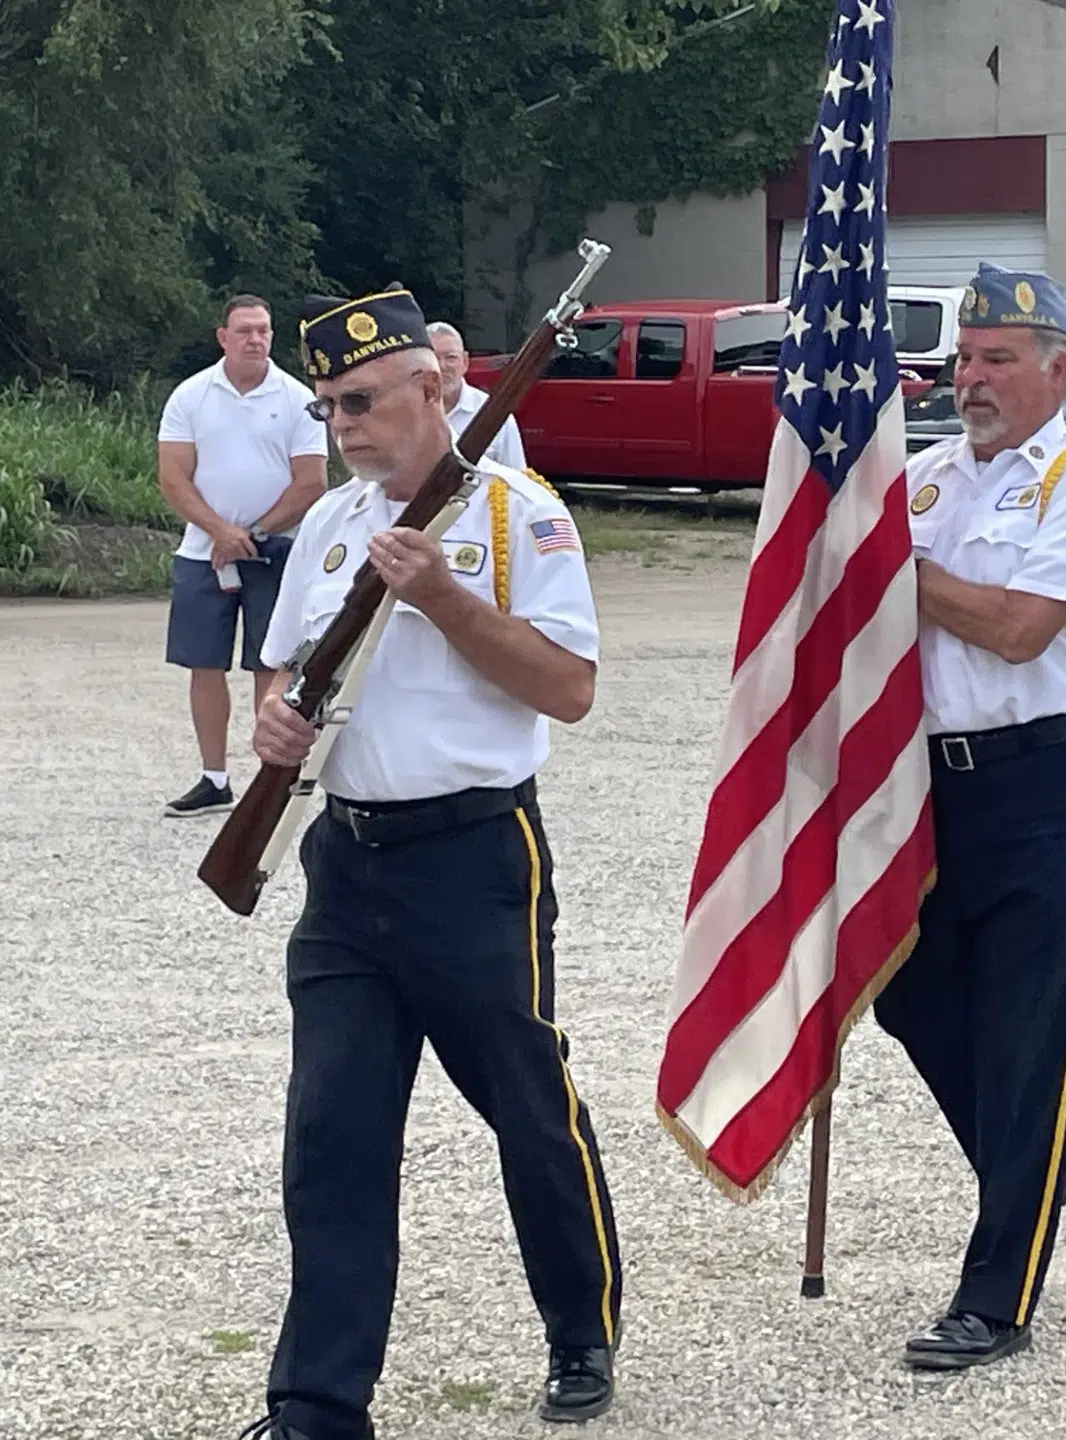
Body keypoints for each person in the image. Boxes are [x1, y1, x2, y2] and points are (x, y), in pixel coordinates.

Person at [236, 285, 621, 1440]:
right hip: (347, 868)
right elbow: (282, 667)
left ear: (436, 388)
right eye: (326, 407)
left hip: (472, 857)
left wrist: (446, 597)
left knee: (527, 1109)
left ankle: (581, 1330)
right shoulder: (331, 525)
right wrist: (270, 723)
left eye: (361, 399)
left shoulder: (520, 514)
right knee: (333, 1138)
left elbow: (570, 687)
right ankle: (317, 1403)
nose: (344, 425)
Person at [875, 263, 1066, 1371]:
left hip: (1052, 782)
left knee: (1030, 1038)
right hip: (938, 787)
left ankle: (996, 1296)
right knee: (910, 998)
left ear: (1056, 370)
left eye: (997, 360)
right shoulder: (924, 481)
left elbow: (1022, 628)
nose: (969, 378)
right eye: (964, 359)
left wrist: (890, 570)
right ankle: (1027, 1168)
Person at [156, 293, 330, 817]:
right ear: (223, 337)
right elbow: (172, 476)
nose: (256, 339)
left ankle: (268, 781)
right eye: (246, 331)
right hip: (201, 551)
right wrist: (219, 532)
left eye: (264, 330)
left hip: (276, 551)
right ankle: (213, 778)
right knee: (203, 664)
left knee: (269, 663)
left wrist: (250, 533)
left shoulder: (298, 399)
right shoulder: (190, 396)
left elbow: (312, 482)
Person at [427, 320, 528, 471]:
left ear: (465, 362)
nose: (442, 366)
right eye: (433, 357)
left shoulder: (494, 414)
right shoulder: (402, 412)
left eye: (451, 357)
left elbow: (517, 478)